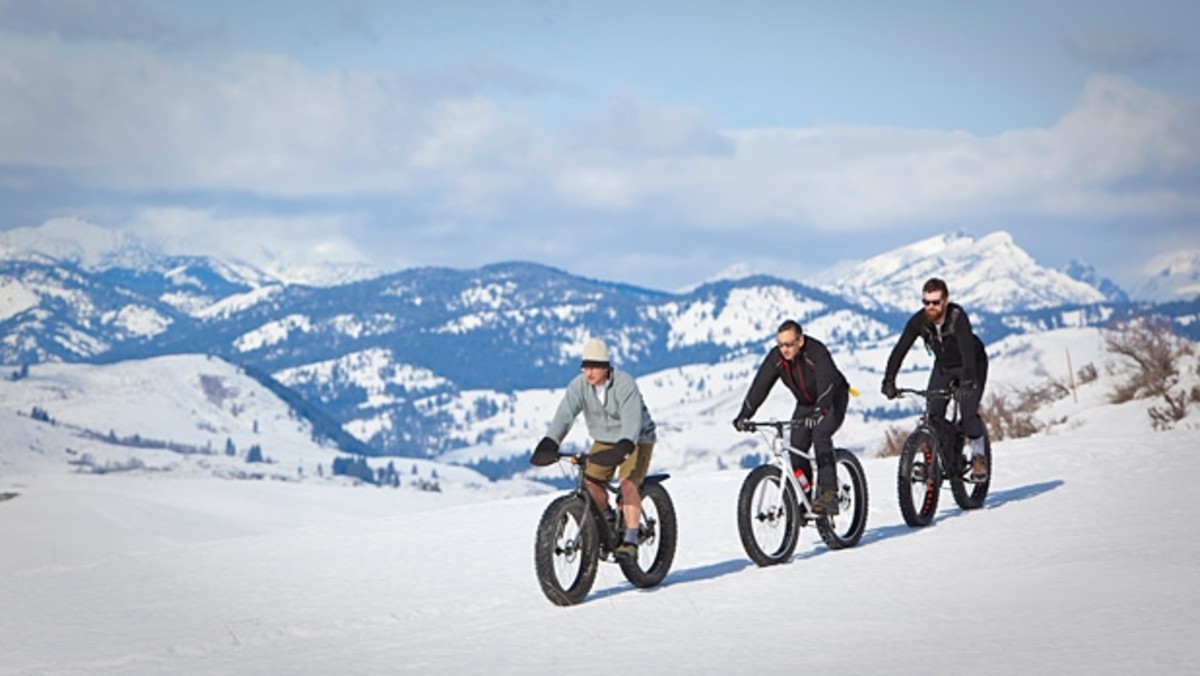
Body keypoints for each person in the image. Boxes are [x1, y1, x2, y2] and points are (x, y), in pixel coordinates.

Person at [530, 337, 657, 561]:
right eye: (586, 367)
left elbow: (632, 422)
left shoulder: (624, 384)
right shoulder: (579, 386)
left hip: (636, 439)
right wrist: (551, 442)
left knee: (627, 485)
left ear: (606, 366)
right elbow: (564, 416)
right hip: (604, 439)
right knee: (589, 481)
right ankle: (607, 518)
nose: (589, 372)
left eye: (594, 367)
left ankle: (630, 539)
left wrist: (625, 446)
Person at [733, 320, 851, 515]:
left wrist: (820, 411)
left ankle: (829, 497)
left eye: (789, 344)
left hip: (832, 400)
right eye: (780, 345)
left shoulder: (817, 352)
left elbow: (827, 384)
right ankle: (807, 496)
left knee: (820, 435)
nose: (784, 349)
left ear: (800, 341)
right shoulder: (776, 358)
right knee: (796, 449)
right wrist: (744, 415)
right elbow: (759, 387)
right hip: (806, 404)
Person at [881, 277, 990, 480]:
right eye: (926, 302)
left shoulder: (958, 317)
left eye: (935, 302)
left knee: (968, 415)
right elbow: (900, 349)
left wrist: (967, 382)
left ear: (945, 301)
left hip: (972, 364)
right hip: (944, 367)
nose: (930, 307)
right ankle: (935, 462)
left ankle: (979, 457)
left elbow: (967, 349)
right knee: (933, 416)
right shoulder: (919, 321)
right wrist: (889, 380)